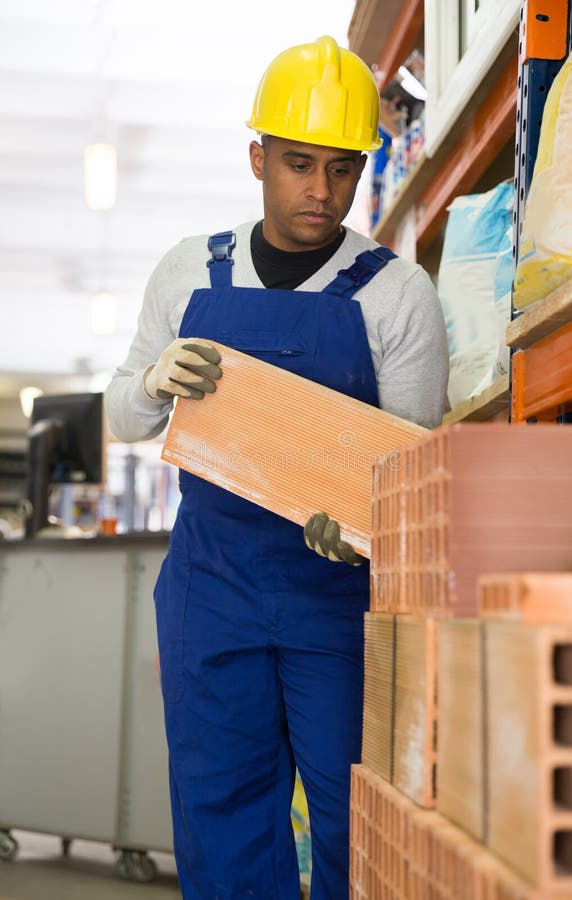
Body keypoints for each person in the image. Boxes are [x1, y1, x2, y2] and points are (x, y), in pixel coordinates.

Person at [105, 34, 448, 900]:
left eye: (344, 168)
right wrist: (153, 380)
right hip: (211, 585)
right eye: (300, 165)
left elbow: (415, 469)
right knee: (221, 809)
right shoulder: (189, 270)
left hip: (335, 594)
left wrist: (367, 534)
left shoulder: (396, 293)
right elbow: (121, 415)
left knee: (349, 814)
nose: (323, 192)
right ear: (257, 156)